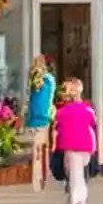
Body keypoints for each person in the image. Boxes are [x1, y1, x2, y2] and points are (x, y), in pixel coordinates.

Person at [54, 78, 97, 204]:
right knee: (80, 176)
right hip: (86, 147)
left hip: (70, 147)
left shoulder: (61, 112)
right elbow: (93, 125)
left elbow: (57, 128)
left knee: (74, 177)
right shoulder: (88, 110)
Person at [27, 55, 57, 191]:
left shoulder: (42, 80)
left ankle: (39, 180)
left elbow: (38, 100)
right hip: (41, 118)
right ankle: (40, 179)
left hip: (38, 118)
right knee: (41, 150)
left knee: (38, 151)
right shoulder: (45, 80)